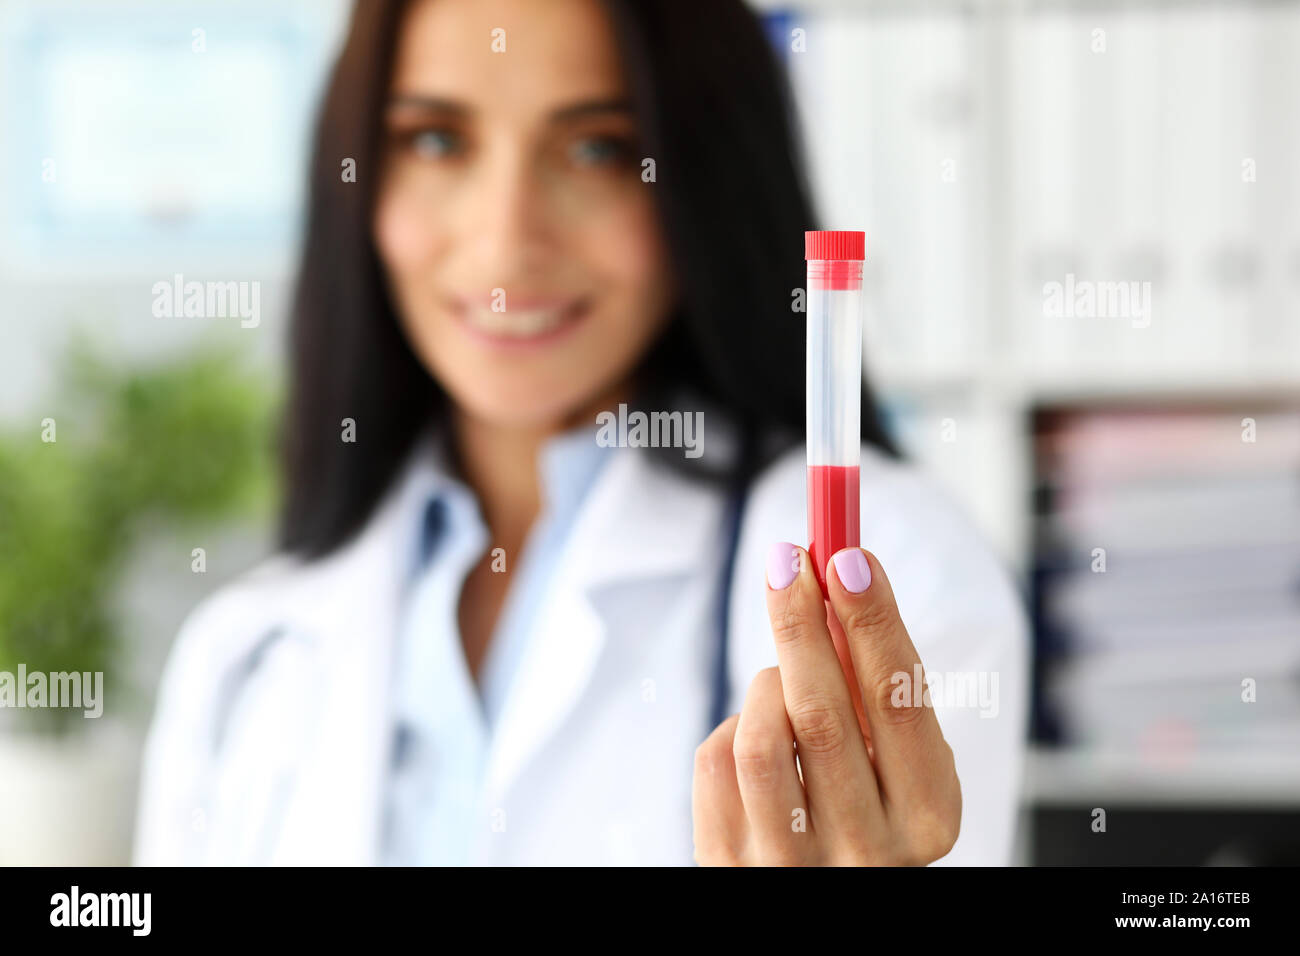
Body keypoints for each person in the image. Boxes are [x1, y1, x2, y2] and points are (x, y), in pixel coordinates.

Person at [134, 0, 1028, 866]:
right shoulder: (245, 652)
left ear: (701, 179)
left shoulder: (887, 559)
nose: (505, 243)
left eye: (600, 148)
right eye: (437, 141)